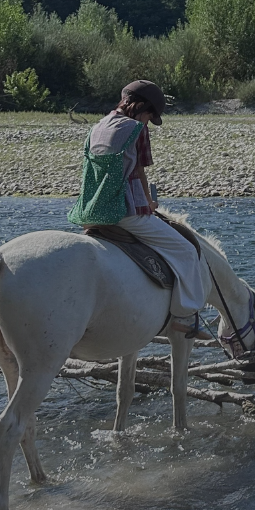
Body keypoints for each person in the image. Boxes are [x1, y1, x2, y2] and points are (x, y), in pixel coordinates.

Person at [68, 79, 208, 337]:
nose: (147, 122)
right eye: (149, 116)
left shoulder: (97, 127)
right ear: (140, 107)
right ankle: (185, 317)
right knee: (187, 251)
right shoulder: (135, 129)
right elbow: (139, 172)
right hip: (123, 212)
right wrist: (149, 201)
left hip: (90, 212)